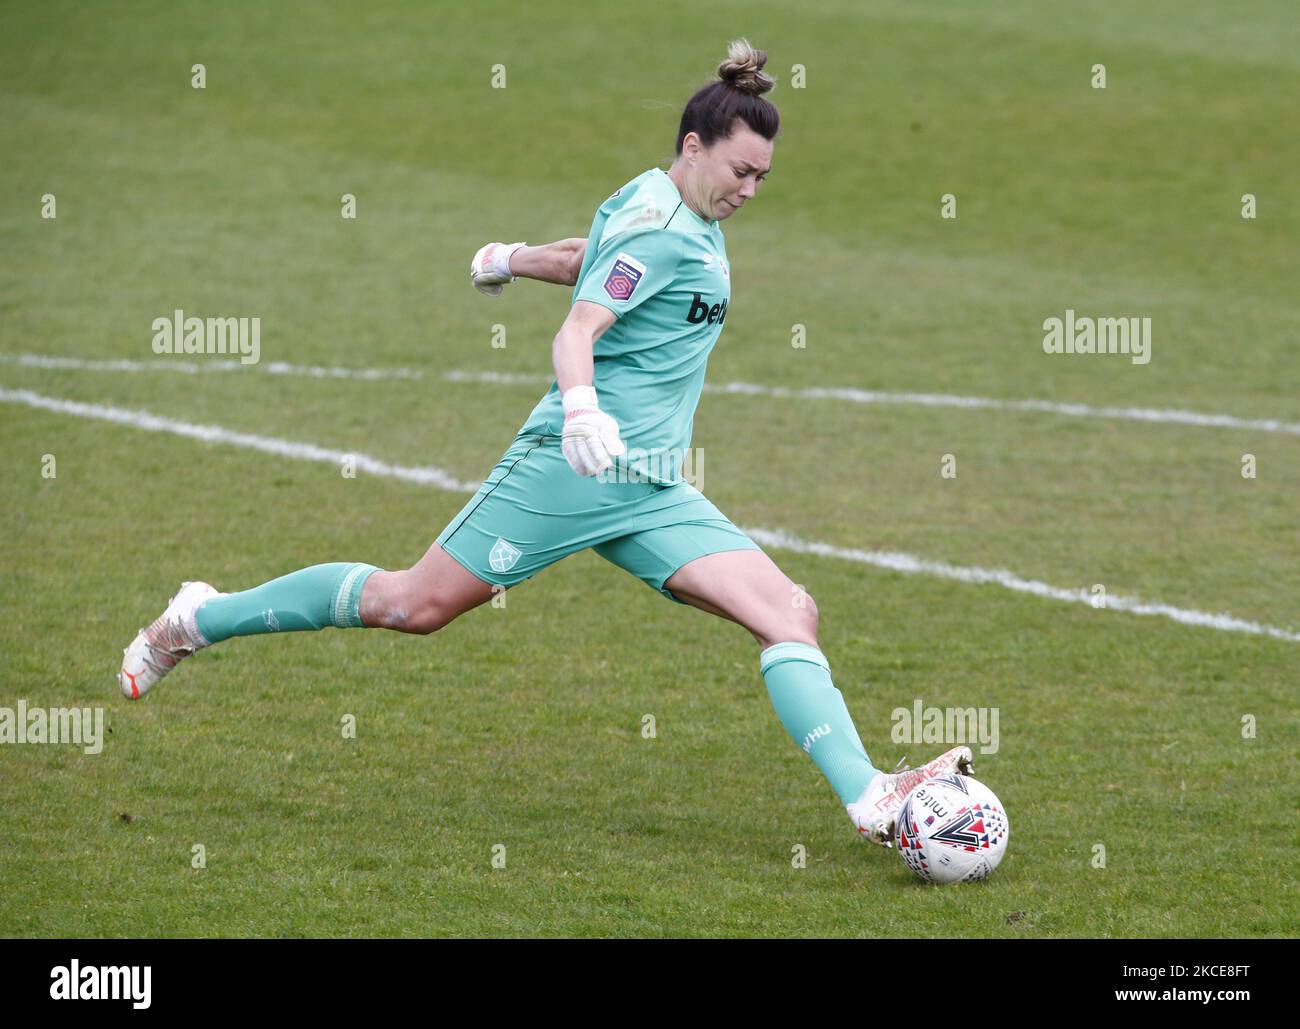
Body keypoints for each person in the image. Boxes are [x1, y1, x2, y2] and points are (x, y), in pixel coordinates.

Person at [118, 40, 971, 849]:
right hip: (575, 467)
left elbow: (584, 259)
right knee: (413, 605)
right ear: (694, 146)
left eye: (763, 177)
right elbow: (581, 327)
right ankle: (198, 617)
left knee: (788, 612)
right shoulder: (661, 226)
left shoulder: (657, 196)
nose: (751, 189)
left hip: (648, 484)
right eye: (741, 170)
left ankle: (870, 796)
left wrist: (507, 255)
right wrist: (582, 409)